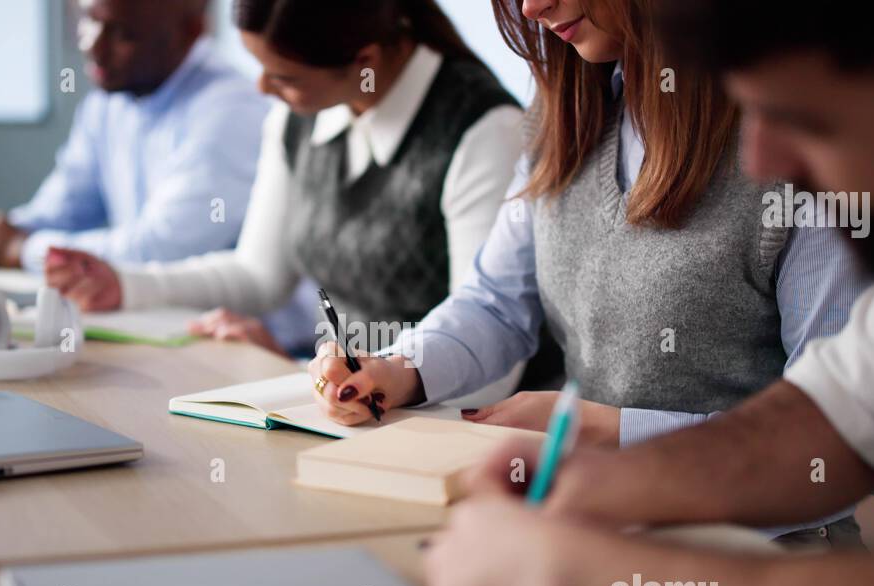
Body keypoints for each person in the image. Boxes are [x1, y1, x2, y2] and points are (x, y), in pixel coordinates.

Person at [422, 0, 874, 586]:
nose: (760, 157)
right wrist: (602, 480)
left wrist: (567, 575)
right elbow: (830, 414)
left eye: (805, 122)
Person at [308, 0, 869, 547]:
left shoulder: (801, 145)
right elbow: (496, 303)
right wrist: (397, 369)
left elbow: (829, 446)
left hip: (765, 561)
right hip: (594, 529)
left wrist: (604, 430)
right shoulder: (568, 108)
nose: (531, 8)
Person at [43, 0, 525, 370]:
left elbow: (488, 345)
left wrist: (318, 371)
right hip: (348, 396)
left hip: (439, 421)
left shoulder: (482, 130)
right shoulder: (303, 117)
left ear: (365, 61)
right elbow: (259, 275)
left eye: (283, 77)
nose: (261, 90)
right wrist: (125, 285)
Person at [0, 0, 268, 278]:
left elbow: (161, 251)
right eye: (88, 20)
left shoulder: (230, 108)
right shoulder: (108, 103)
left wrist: (19, 250)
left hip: (254, 350)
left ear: (191, 31)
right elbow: (58, 210)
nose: (92, 45)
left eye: (122, 33)